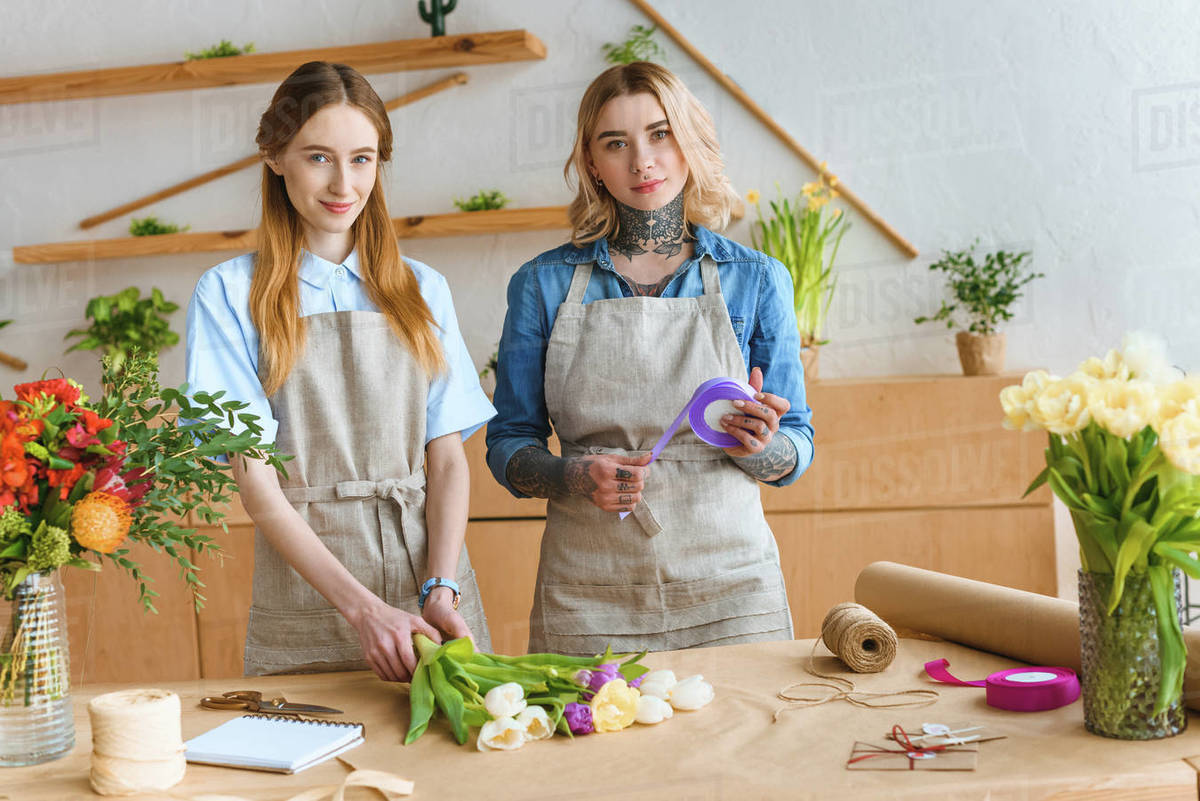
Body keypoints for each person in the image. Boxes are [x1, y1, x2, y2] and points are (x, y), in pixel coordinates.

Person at [486, 62, 815, 656]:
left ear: (689, 141)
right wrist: (572, 475)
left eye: (660, 134)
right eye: (617, 143)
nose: (642, 161)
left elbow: (795, 452)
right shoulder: (541, 285)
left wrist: (762, 448)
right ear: (591, 163)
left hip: (732, 586)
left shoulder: (757, 280)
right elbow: (509, 444)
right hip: (589, 591)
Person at [186, 61, 494, 680]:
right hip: (308, 594)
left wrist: (441, 586)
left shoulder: (423, 290)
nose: (343, 183)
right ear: (275, 156)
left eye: (362, 158)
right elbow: (257, 484)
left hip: (431, 585)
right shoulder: (228, 294)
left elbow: (447, 459)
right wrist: (364, 611)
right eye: (318, 156)